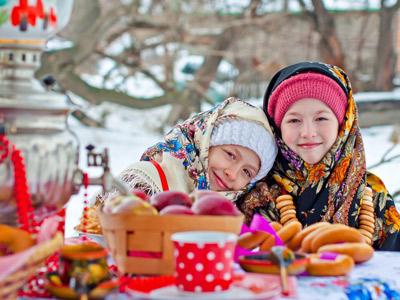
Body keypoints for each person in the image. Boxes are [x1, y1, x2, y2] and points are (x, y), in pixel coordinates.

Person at [239, 61, 400, 250]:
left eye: (321, 118)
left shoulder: (372, 194)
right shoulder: (256, 192)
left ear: (343, 124)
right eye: (294, 120)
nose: (308, 132)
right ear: (277, 126)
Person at [106, 97, 278, 201]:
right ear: (204, 141)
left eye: (247, 172)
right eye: (230, 155)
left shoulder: (230, 215)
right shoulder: (145, 181)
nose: (232, 173)